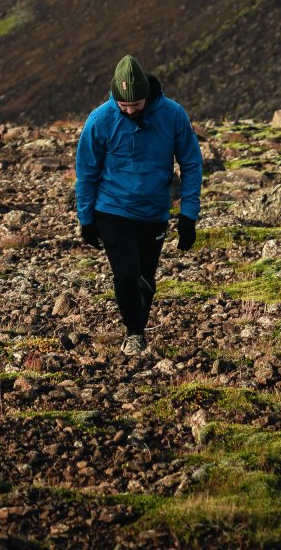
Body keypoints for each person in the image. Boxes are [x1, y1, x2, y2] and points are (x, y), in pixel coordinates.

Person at [74, 54, 202, 357]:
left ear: (148, 95)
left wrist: (188, 215)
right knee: (126, 275)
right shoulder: (101, 119)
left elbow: (191, 163)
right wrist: (86, 219)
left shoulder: (173, 116)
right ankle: (133, 333)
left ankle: (138, 327)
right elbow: (86, 171)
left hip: (154, 211)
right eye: (124, 106)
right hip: (112, 209)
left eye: (136, 105)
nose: (130, 111)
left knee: (146, 279)